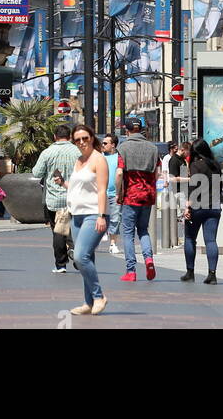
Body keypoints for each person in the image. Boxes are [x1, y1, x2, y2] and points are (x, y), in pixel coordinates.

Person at [57, 124, 108, 314]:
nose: (82, 142)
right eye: (77, 140)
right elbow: (78, 186)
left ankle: (99, 296)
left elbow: (102, 189)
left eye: (85, 138)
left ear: (92, 138)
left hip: (94, 214)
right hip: (76, 215)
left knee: (80, 257)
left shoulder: (98, 159)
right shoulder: (79, 160)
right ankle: (88, 303)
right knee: (88, 259)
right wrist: (63, 183)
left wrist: (102, 216)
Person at [33, 124, 81, 273]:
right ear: (70, 137)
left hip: (54, 199)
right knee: (75, 228)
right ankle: (77, 252)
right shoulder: (77, 151)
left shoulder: (48, 152)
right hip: (75, 196)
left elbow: (37, 172)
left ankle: (61, 264)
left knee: (58, 231)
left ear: (55, 136)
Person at [116, 120, 160, 282]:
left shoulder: (123, 148)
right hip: (147, 195)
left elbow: (120, 173)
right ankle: (148, 259)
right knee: (143, 230)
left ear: (127, 131)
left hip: (131, 194)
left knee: (127, 233)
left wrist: (118, 191)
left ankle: (131, 270)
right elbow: (157, 173)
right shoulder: (153, 148)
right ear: (140, 130)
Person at [182, 138, 223, 284]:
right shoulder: (216, 165)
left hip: (198, 207)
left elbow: (193, 188)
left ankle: (190, 272)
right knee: (211, 240)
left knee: (189, 238)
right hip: (214, 207)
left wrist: (187, 207)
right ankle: (212, 274)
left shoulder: (195, 165)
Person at [99, 135, 123, 256]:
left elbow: (120, 174)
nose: (102, 145)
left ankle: (113, 243)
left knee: (115, 219)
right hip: (99, 193)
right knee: (98, 217)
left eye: (105, 143)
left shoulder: (119, 157)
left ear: (113, 145)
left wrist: (119, 192)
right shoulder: (99, 157)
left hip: (114, 193)